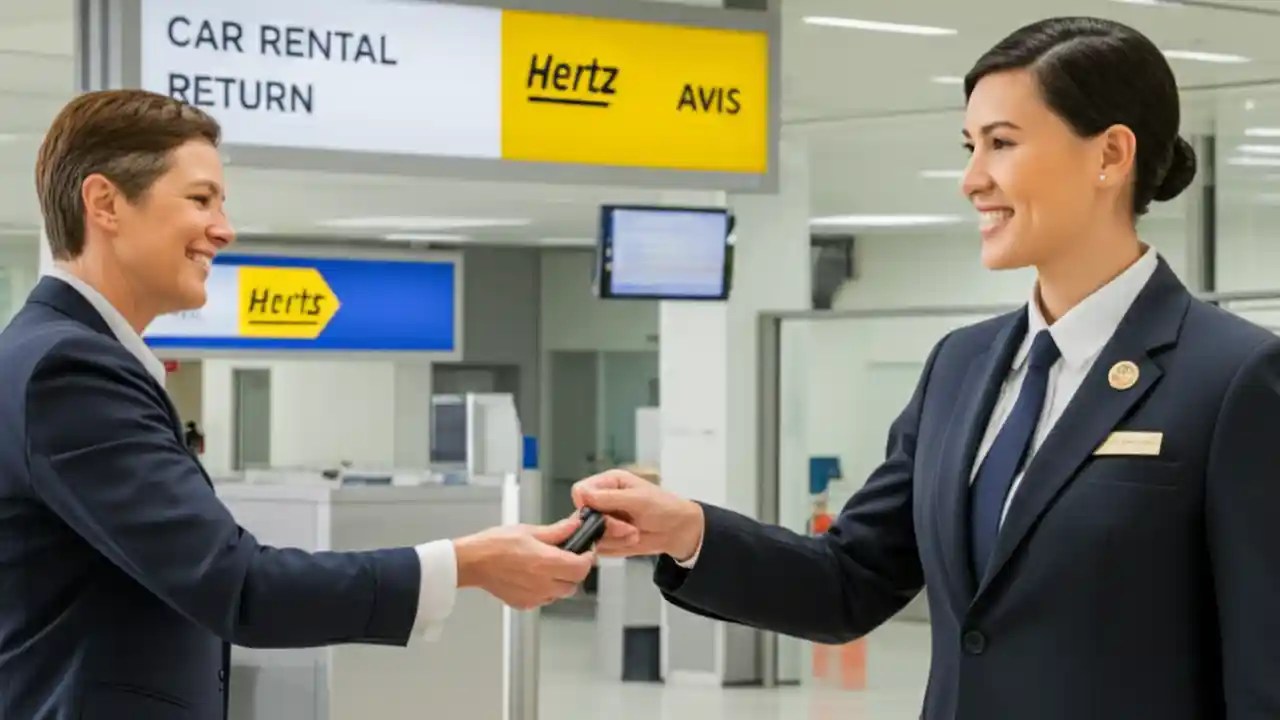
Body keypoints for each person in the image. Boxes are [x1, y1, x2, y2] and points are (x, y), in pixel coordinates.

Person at [573, 17, 1280, 720]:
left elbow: (1266, 670)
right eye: (971, 147)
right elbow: (852, 578)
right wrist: (688, 530)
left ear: (1111, 154)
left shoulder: (1233, 377)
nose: (973, 180)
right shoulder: (962, 366)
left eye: (1002, 144)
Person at [0, 89, 610, 719]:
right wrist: (467, 563)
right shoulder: (69, 371)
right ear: (105, 204)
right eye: (200, 199)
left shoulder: (57, 355)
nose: (224, 229)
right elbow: (240, 588)